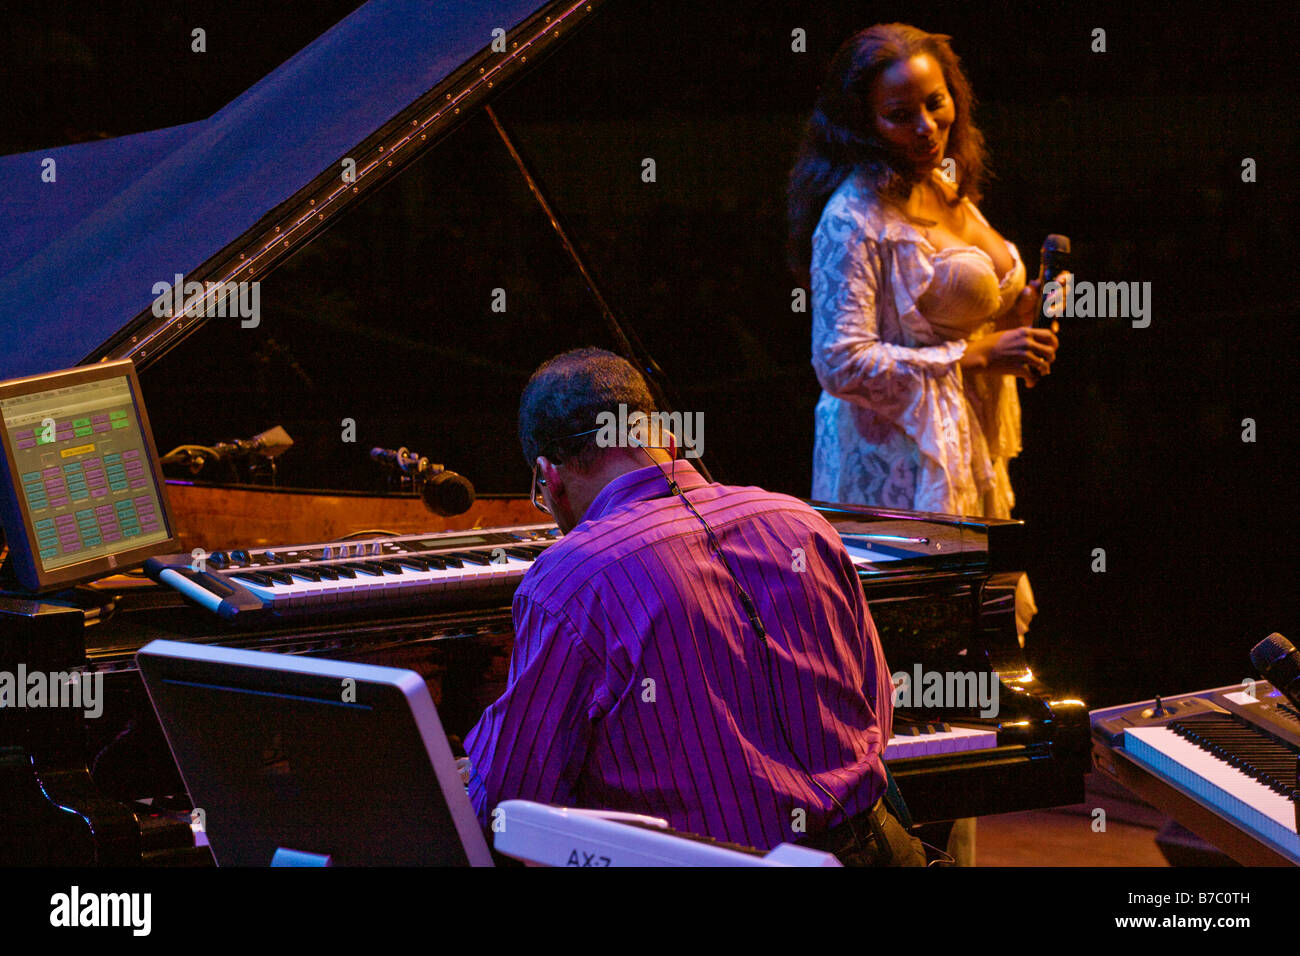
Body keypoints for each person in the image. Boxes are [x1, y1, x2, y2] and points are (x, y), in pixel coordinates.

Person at [463, 348, 923, 864]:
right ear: (666, 439)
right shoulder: (803, 523)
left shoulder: (570, 578)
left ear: (548, 477)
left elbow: (511, 796)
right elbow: (874, 711)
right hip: (879, 848)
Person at [788, 22, 1061, 520]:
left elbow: (954, 318)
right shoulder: (853, 218)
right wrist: (977, 354)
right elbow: (839, 361)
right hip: (896, 467)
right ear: (861, 122)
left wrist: (1017, 315)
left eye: (936, 103)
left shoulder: (940, 179)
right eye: (899, 115)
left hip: (963, 447)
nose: (926, 127)